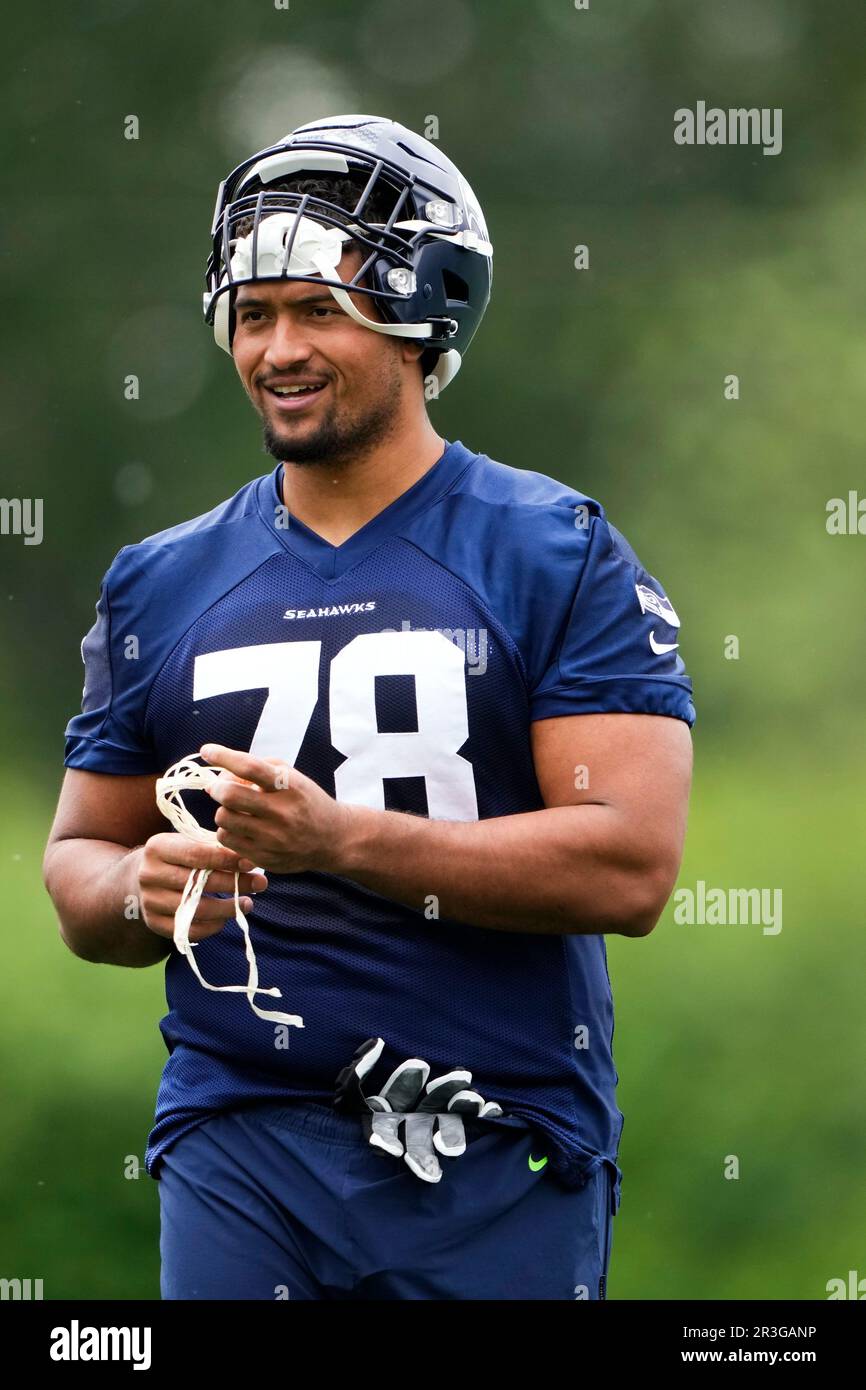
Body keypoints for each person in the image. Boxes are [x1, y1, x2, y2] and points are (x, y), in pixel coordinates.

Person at [43, 114, 695, 1300]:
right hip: (238, 1132)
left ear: (419, 321)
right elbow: (81, 861)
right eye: (252, 315)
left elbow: (628, 866)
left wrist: (337, 840)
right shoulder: (162, 578)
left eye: (316, 309)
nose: (275, 348)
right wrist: (135, 891)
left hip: (491, 1138)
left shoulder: (552, 550)